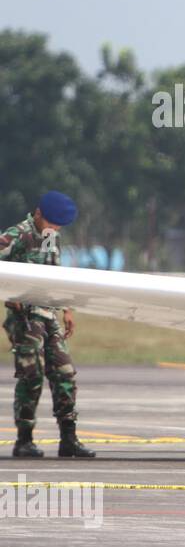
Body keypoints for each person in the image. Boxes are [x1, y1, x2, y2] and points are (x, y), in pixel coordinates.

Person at [1, 191, 92, 459]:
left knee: (64, 374)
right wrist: (9, 295)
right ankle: (24, 440)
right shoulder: (17, 235)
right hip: (25, 319)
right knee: (32, 377)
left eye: (58, 226)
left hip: (49, 315)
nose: (54, 229)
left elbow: (57, 274)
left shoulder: (52, 238)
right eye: (51, 223)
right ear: (38, 214)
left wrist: (67, 309)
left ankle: (69, 439)